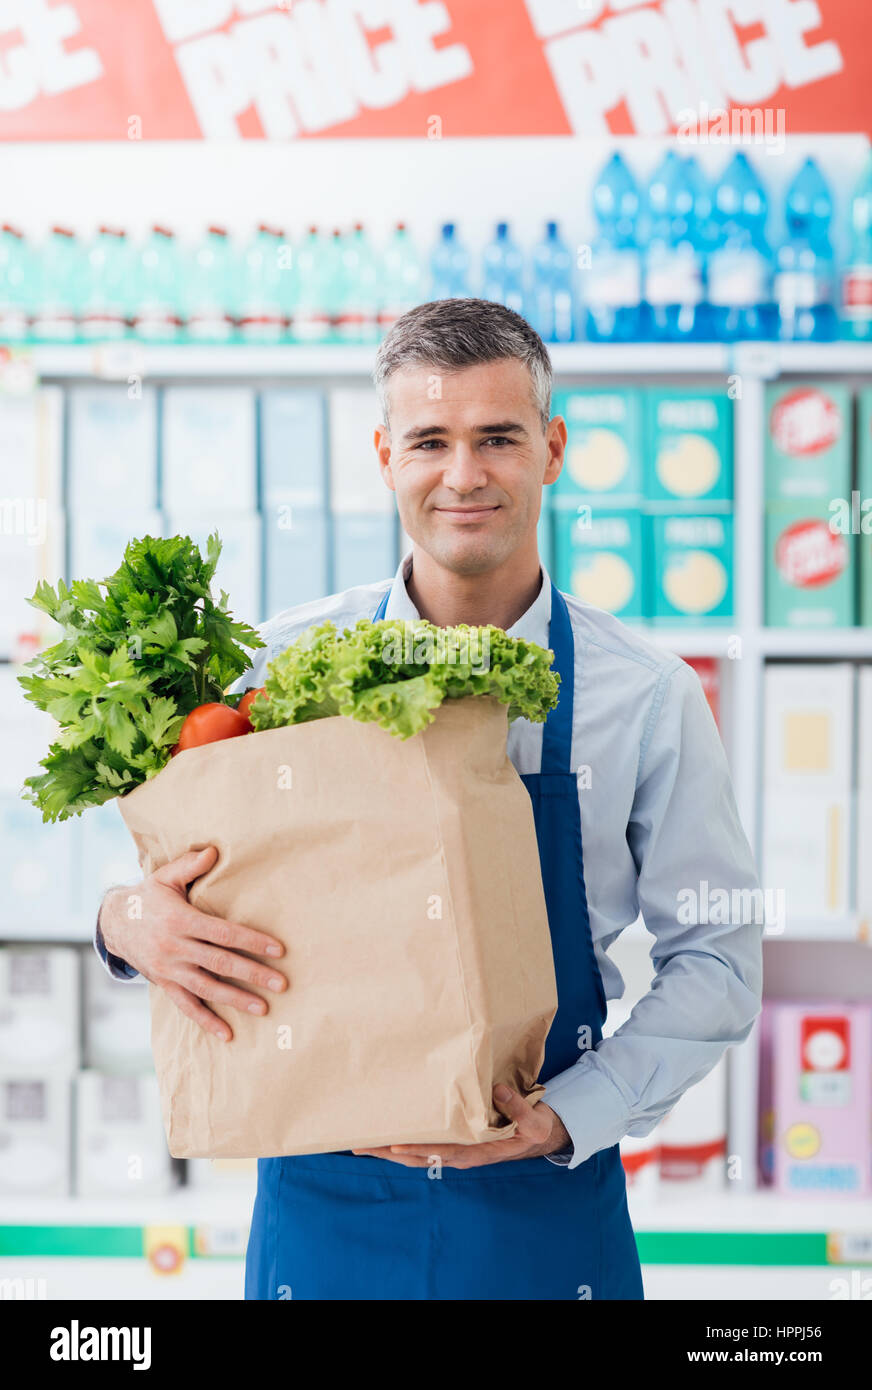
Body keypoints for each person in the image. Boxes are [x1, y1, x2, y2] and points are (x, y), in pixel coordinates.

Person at [96, 298, 763, 1301]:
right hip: (323, 1203)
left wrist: (576, 1110)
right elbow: (169, 885)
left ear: (551, 448)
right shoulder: (274, 670)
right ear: (383, 454)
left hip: (543, 1202)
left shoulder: (648, 696)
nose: (463, 475)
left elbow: (717, 957)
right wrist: (125, 918)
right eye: (429, 440)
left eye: (497, 437)